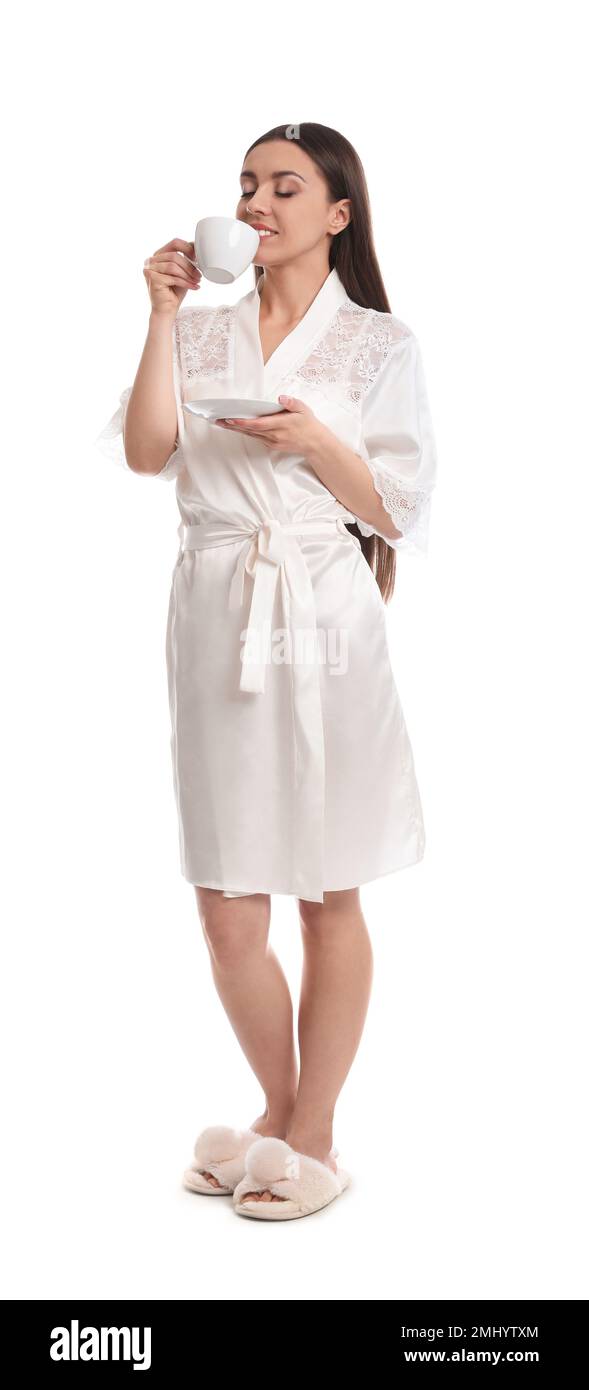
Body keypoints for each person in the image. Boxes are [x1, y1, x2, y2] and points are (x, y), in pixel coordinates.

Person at [96, 122, 438, 1221]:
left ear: (337, 214)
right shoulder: (199, 334)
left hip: (323, 620)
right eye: (246, 185)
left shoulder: (377, 345)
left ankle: (315, 1133)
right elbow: (151, 452)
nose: (257, 203)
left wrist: (318, 445)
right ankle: (283, 1121)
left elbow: (402, 510)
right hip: (212, 616)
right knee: (228, 904)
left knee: (329, 886)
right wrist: (157, 314)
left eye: (285, 187)